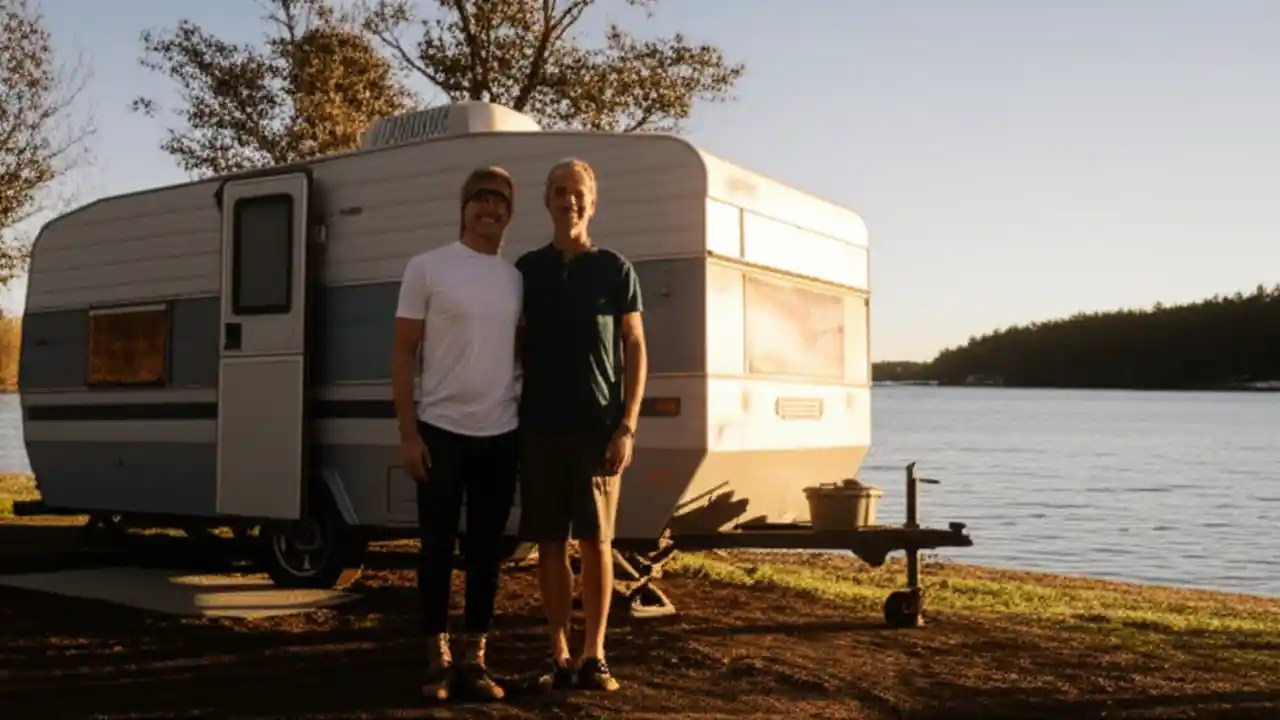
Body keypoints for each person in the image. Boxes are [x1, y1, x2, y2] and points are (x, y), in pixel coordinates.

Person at [515, 157, 648, 693]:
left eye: (578, 193)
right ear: (546, 200)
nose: (569, 200)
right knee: (550, 543)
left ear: (592, 204)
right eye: (559, 191)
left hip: (597, 429)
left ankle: (595, 654)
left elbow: (635, 347)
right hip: (539, 427)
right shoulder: (525, 269)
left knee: (596, 543)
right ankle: (559, 654)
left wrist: (628, 426)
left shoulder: (614, 268)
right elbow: (514, 339)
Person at [391, 166, 523, 702]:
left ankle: (476, 656)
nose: (490, 210)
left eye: (501, 203)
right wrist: (408, 433)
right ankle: (436, 658)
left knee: (488, 552)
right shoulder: (427, 268)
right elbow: (403, 353)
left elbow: (519, 352)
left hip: (501, 431)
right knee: (437, 548)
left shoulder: (514, 277)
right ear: (464, 208)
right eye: (481, 200)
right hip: (441, 429)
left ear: (510, 215)